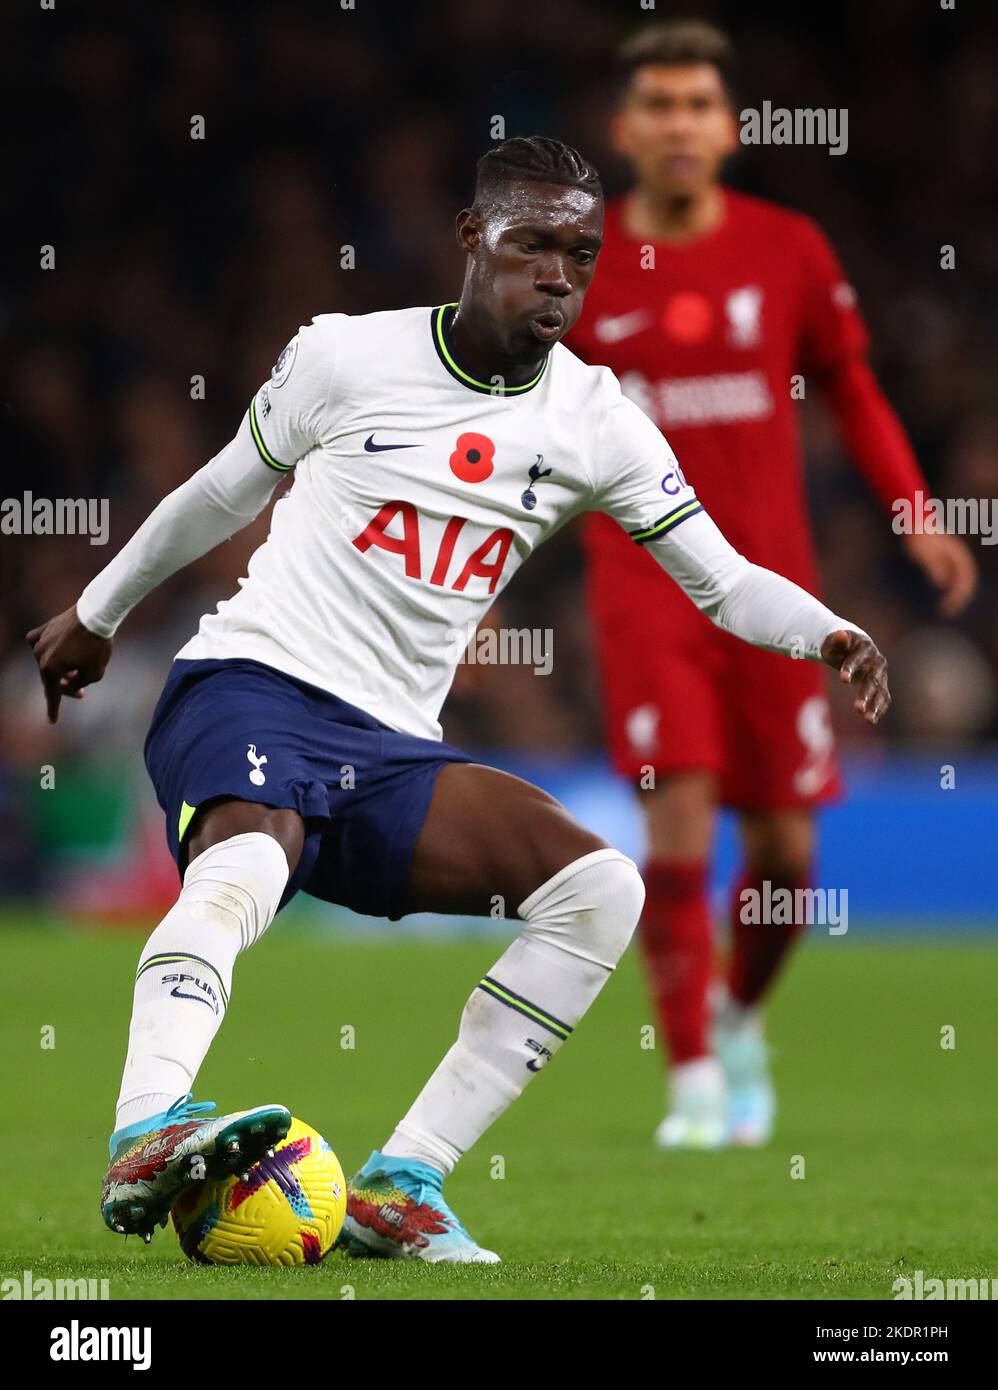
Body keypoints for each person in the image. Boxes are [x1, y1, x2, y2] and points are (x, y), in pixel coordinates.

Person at [27, 137, 889, 1264]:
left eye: (578, 255)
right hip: (250, 685)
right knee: (245, 856)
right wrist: (97, 610)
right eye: (532, 245)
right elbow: (215, 492)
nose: (557, 276)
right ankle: (146, 1126)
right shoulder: (343, 358)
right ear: (471, 240)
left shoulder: (595, 420)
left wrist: (824, 629)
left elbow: (719, 580)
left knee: (597, 889)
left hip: (387, 751)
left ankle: (402, 1182)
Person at [568, 21, 976, 1151]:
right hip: (643, 588)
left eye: (698, 103)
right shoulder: (586, 263)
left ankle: (735, 1016)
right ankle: (690, 1079)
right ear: (624, 129)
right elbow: (527, 433)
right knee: (680, 815)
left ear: (730, 125)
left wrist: (916, 515)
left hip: (772, 594)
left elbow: (848, 387)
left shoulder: (785, 249)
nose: (678, 123)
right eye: (656, 104)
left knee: (789, 853)